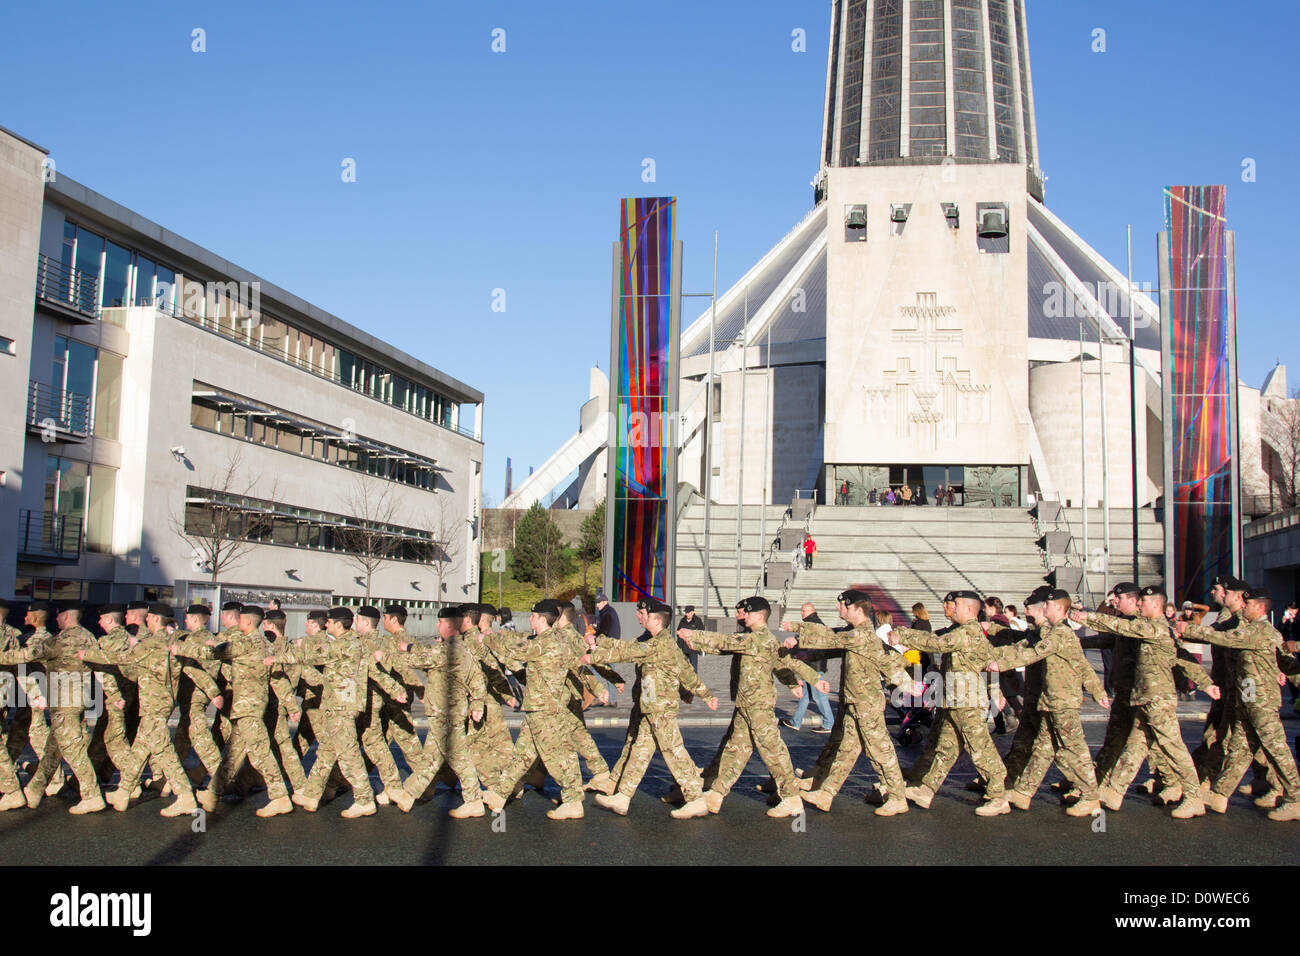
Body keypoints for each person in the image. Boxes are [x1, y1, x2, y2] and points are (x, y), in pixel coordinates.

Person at [1070, 587, 1218, 819]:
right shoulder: (1152, 627)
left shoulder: (1155, 627)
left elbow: (1177, 654)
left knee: (1174, 748)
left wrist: (1089, 616)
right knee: (1135, 747)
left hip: (1158, 699)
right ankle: (1114, 792)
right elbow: (1177, 654)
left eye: (1144, 601)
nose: (1140, 605)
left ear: (1157, 605)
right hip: (1145, 697)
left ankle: (1193, 797)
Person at [677, 597, 824, 818]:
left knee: (773, 751)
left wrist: (693, 635)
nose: (744, 615)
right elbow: (778, 664)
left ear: (758, 615)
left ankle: (792, 798)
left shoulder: (759, 639)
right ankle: (716, 794)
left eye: (747, 612)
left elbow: (726, 642)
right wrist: (793, 683)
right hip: (747, 704)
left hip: (758, 705)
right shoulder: (761, 640)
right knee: (735, 749)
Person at [781, 589, 921, 816]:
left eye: (842, 606)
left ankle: (897, 797)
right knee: (846, 751)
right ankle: (826, 794)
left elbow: (833, 639)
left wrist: (797, 628)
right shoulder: (856, 634)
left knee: (881, 752)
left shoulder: (861, 635)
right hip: (856, 702)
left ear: (856, 609)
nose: (838, 609)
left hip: (867, 705)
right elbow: (844, 646)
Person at [1177, 587, 1300, 820]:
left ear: (1260, 607)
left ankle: (1295, 798)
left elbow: (1224, 638)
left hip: (1261, 702)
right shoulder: (1257, 631)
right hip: (1248, 700)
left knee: (1277, 750)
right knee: (1240, 748)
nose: (1244, 607)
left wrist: (1190, 629)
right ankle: (1220, 794)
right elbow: (1285, 664)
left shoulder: (1260, 631)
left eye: (1249, 604)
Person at [588, 599, 717, 818]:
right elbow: (681, 668)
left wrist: (593, 655)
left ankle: (695, 799)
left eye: (645, 614)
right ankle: (623, 797)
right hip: (651, 707)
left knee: (675, 753)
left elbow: (627, 653)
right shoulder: (654, 641)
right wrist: (600, 642)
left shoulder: (660, 644)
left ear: (656, 619)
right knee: (640, 751)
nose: (641, 617)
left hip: (661, 708)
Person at [889, 591, 1014, 816]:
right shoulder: (968, 632)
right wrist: (996, 691)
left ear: (967, 608)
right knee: (945, 749)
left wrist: (903, 636)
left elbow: (937, 644)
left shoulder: (967, 632)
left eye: (952, 604)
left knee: (981, 750)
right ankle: (926, 789)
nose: (948, 608)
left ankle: (999, 797)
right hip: (956, 701)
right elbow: (988, 661)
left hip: (968, 703)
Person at [1002, 590, 1110, 816]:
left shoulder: (1061, 633)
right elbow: (1081, 663)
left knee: (1074, 750)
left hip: (1063, 701)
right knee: (1043, 748)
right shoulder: (1052, 632)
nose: (1044, 609)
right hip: (1051, 700)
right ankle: (1023, 791)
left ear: (1059, 608)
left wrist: (1096, 690)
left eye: (1048, 606)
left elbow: (1035, 654)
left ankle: (1091, 797)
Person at [482, 601, 588, 821]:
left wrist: (488, 638)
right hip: (538, 707)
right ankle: (500, 794)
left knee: (555, 756)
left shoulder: (546, 643)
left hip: (544, 709)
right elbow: (520, 640)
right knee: (522, 755)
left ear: (542, 618)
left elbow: (518, 649)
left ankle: (572, 801)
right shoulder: (549, 640)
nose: (529, 619)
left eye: (532, 616)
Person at [781, 603, 834, 733]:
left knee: (818, 696)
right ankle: (796, 722)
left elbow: (813, 642)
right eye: (802, 611)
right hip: (811, 665)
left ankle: (828, 723)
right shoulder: (812, 623)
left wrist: (796, 641)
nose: (802, 613)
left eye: (804, 611)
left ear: (811, 611)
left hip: (814, 666)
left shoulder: (813, 623)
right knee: (805, 696)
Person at [593, 590, 621, 706]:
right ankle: (611, 700)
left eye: (599, 602)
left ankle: (600, 696)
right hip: (611, 646)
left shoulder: (607, 613)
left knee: (596, 669)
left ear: (605, 602)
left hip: (607, 646)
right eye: (596, 602)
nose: (597, 605)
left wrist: (595, 637)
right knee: (608, 671)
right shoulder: (609, 612)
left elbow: (604, 629)